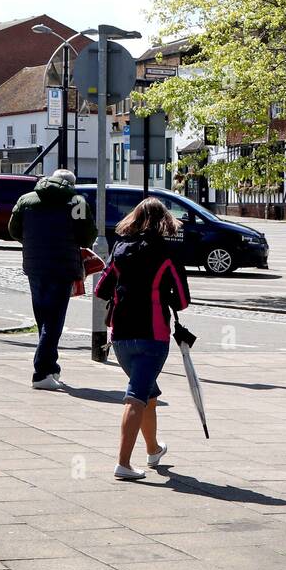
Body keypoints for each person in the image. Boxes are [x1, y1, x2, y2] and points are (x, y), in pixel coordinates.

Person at [94, 197, 191, 481]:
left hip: (121, 335)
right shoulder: (167, 252)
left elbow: (101, 288)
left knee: (148, 392)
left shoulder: (120, 249)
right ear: (165, 221)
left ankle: (153, 449)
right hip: (153, 335)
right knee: (136, 396)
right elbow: (182, 301)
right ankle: (123, 463)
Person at [9, 169, 95, 390]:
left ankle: (51, 366)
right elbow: (87, 235)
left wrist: (32, 242)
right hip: (62, 266)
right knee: (54, 320)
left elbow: (13, 230)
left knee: (43, 318)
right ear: (71, 184)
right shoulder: (76, 201)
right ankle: (41, 372)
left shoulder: (26, 200)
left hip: (35, 265)